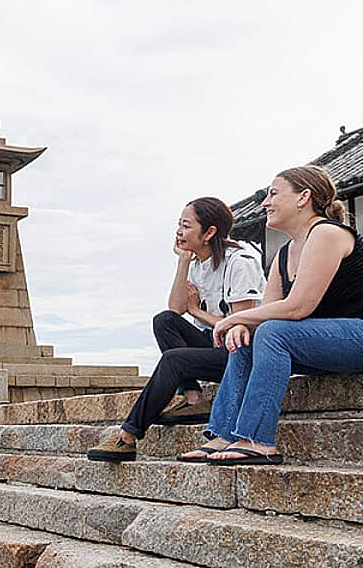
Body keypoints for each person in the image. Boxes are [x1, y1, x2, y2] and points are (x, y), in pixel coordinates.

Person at [178, 166, 363, 466]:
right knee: (247, 339)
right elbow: (267, 314)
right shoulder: (284, 254)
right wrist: (242, 325)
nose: (265, 202)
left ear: (303, 197)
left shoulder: (327, 232)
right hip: (339, 341)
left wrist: (231, 319)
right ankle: (224, 435)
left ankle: (256, 440)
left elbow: (298, 307)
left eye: (273, 193)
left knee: (272, 333)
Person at [87, 197, 266, 462]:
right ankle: (193, 399)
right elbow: (175, 309)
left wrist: (197, 312)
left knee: (175, 359)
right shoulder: (197, 265)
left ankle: (128, 436)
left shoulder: (240, 261)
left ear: (209, 232)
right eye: (179, 225)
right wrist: (183, 262)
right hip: (214, 343)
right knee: (164, 320)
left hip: (240, 352)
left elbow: (242, 326)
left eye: (186, 226)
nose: (178, 232)